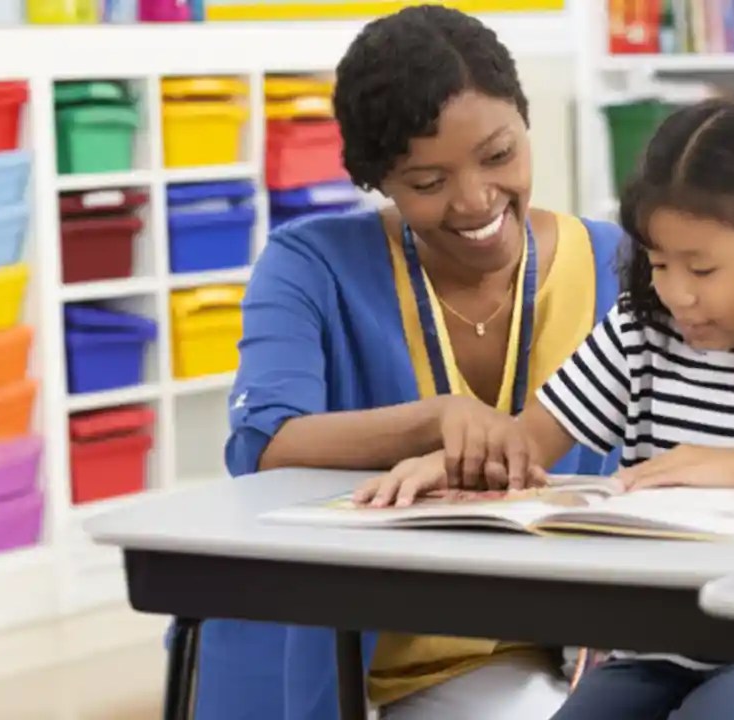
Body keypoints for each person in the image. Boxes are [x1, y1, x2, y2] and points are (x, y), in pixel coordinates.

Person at [355, 97, 734, 719]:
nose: (677, 293)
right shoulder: (643, 333)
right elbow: (527, 444)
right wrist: (450, 466)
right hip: (657, 649)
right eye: (658, 263)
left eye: (702, 268)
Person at [199, 6, 623, 720]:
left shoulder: (618, 263)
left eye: (498, 155)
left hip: (575, 653)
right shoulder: (311, 265)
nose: (476, 200)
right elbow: (265, 443)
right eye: (429, 183)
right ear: (379, 181)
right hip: (382, 667)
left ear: (524, 118)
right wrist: (436, 419)